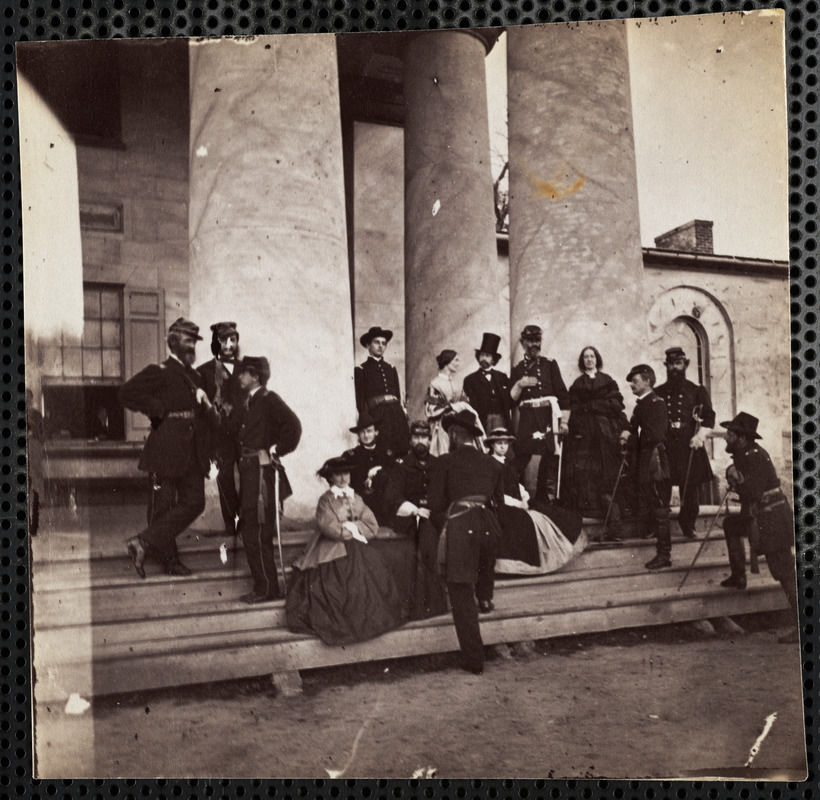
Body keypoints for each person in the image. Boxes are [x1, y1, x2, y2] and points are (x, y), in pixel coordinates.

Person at [286, 454, 417, 644]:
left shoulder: (356, 497)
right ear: (331, 477)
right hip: (332, 545)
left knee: (379, 564)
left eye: (346, 473)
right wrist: (345, 531)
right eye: (338, 474)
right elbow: (327, 525)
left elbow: (371, 524)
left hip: (357, 541)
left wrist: (355, 528)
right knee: (341, 578)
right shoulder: (326, 500)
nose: (343, 478)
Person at [119, 317, 213, 578]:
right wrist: (156, 409)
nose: (191, 345)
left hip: (192, 451)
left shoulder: (196, 376)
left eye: (194, 341)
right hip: (165, 449)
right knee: (162, 507)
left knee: (195, 502)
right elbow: (126, 393)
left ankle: (142, 542)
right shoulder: (159, 371)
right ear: (173, 342)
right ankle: (170, 561)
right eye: (187, 340)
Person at [429, 408, 504, 675]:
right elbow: (499, 504)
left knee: (461, 595)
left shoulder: (444, 462)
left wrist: (447, 523)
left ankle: (474, 659)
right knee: (482, 576)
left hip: (461, 528)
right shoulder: (493, 464)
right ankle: (485, 597)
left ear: (453, 434)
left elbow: (436, 506)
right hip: (488, 526)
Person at [718, 412, 798, 643]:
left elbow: (753, 493)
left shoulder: (752, 456)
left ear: (742, 438)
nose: (726, 438)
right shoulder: (746, 453)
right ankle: (738, 576)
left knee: (785, 572)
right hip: (762, 515)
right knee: (731, 525)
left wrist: (736, 481)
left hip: (773, 518)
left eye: (730, 434)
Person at [234, 356, 302, 604]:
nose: (240, 377)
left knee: (258, 532)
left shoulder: (268, 399)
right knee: (251, 530)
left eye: (244, 373)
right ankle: (264, 586)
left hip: (261, 475)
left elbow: (293, 427)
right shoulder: (249, 401)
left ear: (255, 376)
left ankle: (266, 588)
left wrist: (276, 449)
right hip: (248, 472)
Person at [485, 428, 585, 575]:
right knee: (528, 521)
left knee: (549, 512)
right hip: (503, 505)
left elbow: (516, 484)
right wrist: (518, 504)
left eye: (505, 443)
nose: (503, 447)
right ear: (492, 445)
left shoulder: (507, 463)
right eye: (499, 443)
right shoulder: (490, 464)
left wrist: (524, 497)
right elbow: (496, 493)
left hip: (519, 501)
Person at [381, 419, 449, 619]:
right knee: (426, 534)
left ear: (430, 440)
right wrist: (415, 510)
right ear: (410, 440)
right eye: (416, 437)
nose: (420, 441)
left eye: (424, 437)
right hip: (412, 517)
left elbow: (446, 493)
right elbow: (392, 497)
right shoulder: (401, 466)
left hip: (435, 514)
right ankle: (431, 601)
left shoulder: (438, 464)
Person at [564, 346, 627, 541]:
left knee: (607, 476)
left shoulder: (607, 380)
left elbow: (617, 404)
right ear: (582, 361)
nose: (589, 359)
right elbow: (573, 408)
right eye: (585, 357)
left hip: (606, 435)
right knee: (587, 474)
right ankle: (592, 517)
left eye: (592, 356)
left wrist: (592, 406)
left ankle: (614, 525)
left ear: (597, 359)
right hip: (585, 437)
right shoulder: (578, 384)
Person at [654, 346, 716, 539]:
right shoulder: (658, 391)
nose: (674, 367)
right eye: (671, 364)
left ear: (685, 365)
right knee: (661, 488)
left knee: (689, 490)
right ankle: (660, 527)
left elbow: (709, 418)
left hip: (689, 446)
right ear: (666, 366)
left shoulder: (696, 391)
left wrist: (700, 436)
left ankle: (688, 526)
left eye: (678, 363)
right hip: (665, 447)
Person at [509, 324, 570, 503]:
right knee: (522, 455)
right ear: (523, 343)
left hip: (547, 415)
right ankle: (510, 493)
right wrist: (519, 384)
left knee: (549, 457)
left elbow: (563, 395)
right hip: (528, 417)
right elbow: (511, 401)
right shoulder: (518, 369)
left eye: (537, 340)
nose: (534, 344)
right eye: (530, 341)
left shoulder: (549, 364)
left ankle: (545, 500)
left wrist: (564, 422)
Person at [619, 364, 672, 570]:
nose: (631, 385)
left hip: (655, 464)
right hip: (643, 463)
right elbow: (635, 429)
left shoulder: (657, 404)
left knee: (660, 510)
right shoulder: (642, 404)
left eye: (635, 381)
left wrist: (630, 438)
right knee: (652, 506)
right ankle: (660, 551)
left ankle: (664, 555)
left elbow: (653, 436)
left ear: (647, 382)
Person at [197, 321, 244, 537]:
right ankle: (232, 526)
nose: (228, 344)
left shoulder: (246, 369)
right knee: (225, 481)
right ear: (216, 344)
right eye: (223, 340)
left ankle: (247, 523)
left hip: (244, 435)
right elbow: (201, 410)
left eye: (232, 340)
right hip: (219, 438)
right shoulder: (204, 372)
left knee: (250, 479)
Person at [354, 326, 410, 456]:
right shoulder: (361, 369)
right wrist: (367, 423)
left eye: (384, 343)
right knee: (383, 451)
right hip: (377, 417)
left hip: (396, 415)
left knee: (402, 448)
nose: (381, 346)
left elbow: (397, 395)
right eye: (377, 342)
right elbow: (361, 402)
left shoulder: (391, 368)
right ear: (368, 345)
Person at [424, 349, 485, 456]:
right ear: (447, 361)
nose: (458, 363)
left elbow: (464, 402)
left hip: (458, 423)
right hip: (442, 425)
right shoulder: (435, 383)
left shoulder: (456, 384)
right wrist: (453, 407)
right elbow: (431, 408)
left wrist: (461, 405)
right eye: (456, 360)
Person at [344, 412, 393, 524]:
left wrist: (377, 472)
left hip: (384, 506)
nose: (366, 435)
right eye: (362, 432)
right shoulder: (351, 456)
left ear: (376, 432)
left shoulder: (386, 454)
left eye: (369, 431)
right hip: (361, 506)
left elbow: (395, 476)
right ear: (358, 434)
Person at [462, 332, 512, 432]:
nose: (484, 358)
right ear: (478, 357)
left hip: (501, 420)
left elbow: (510, 399)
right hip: (481, 421)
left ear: (493, 359)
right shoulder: (470, 379)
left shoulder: (502, 377)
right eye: (482, 355)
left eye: (487, 355)